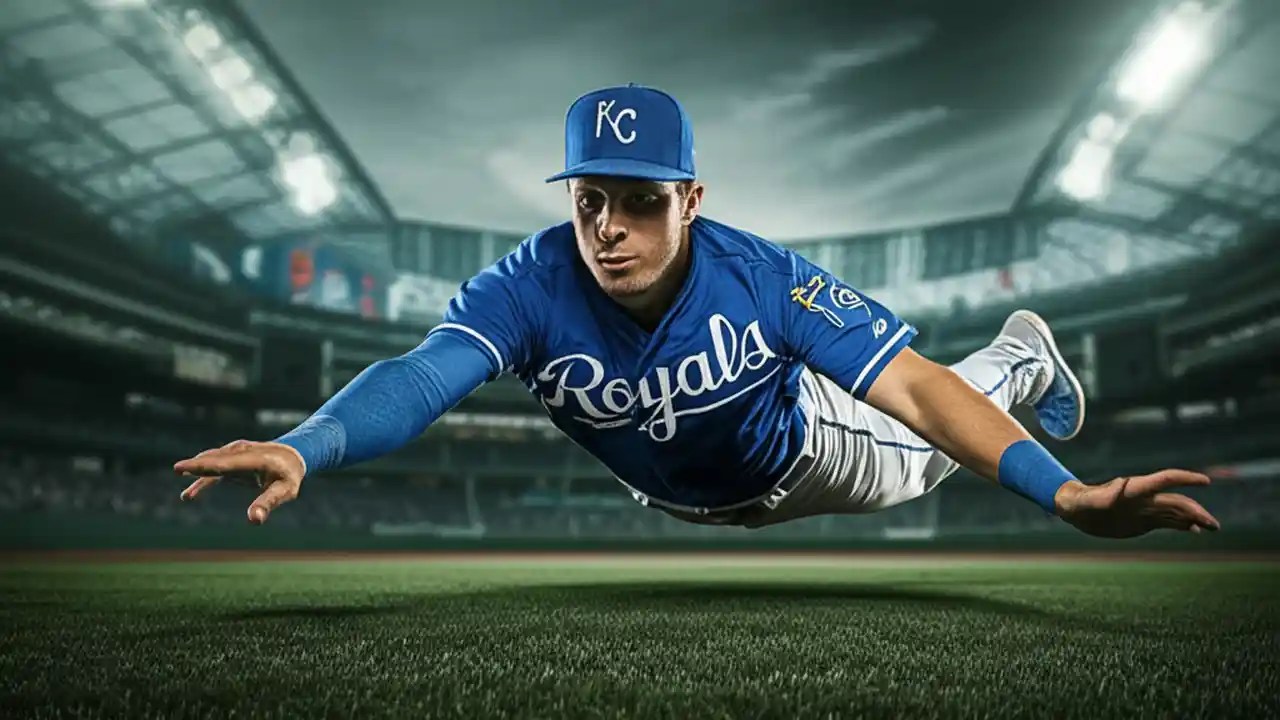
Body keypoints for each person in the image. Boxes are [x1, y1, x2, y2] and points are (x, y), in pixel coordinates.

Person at [175, 84, 1220, 539]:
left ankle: (1019, 355)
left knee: (915, 457)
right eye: (590, 201)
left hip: (806, 452)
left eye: (640, 200)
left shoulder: (759, 277)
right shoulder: (530, 284)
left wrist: (1070, 498)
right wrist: (308, 446)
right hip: (675, 488)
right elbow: (421, 376)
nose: (610, 228)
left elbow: (913, 389)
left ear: (690, 200)